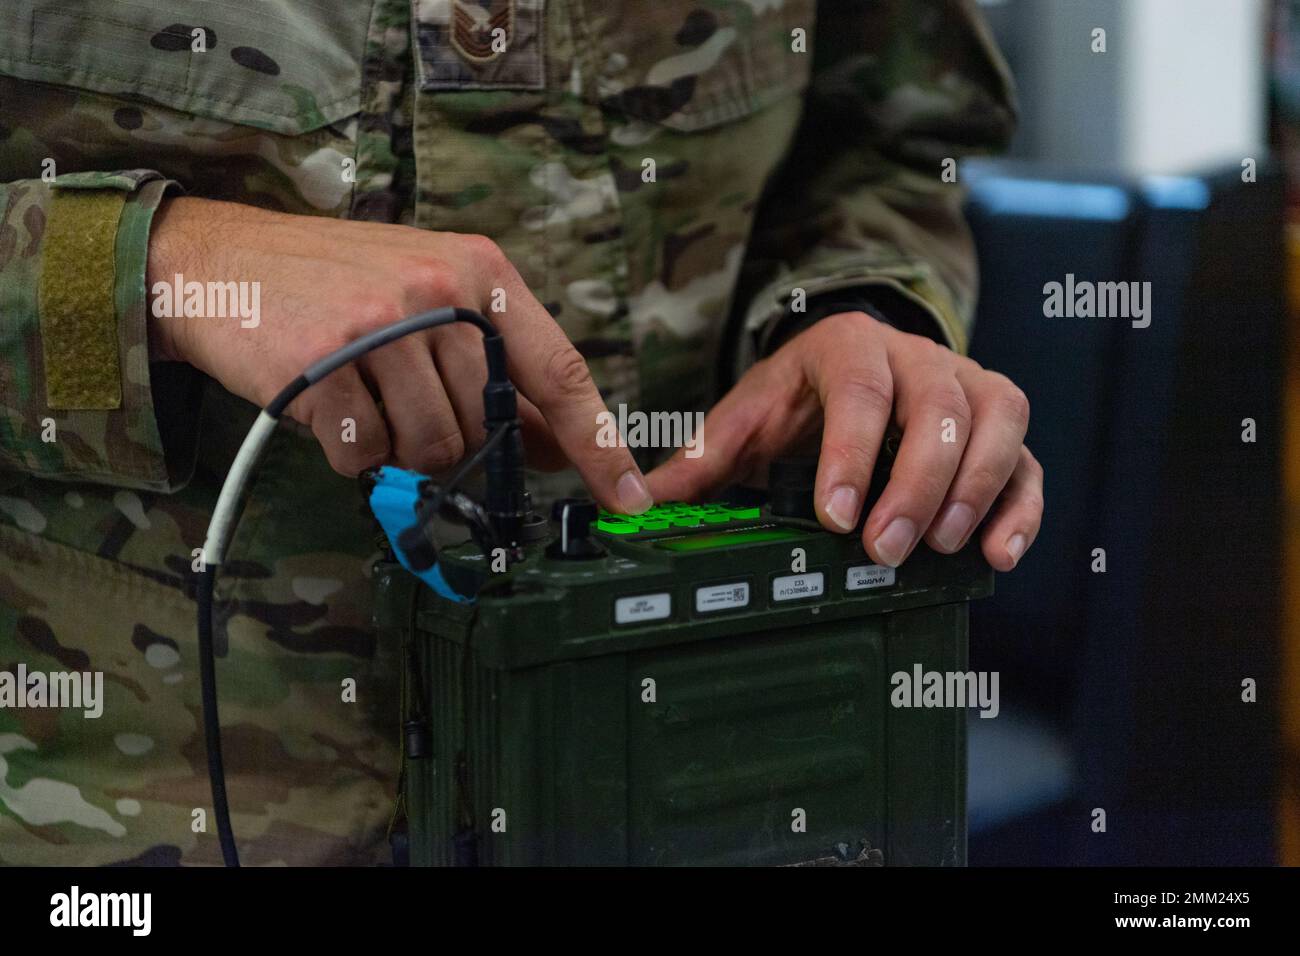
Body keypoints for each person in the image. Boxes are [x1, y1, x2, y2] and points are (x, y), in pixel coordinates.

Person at [0, 0, 1041, 865]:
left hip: (714, 791)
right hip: (126, 819)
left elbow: (892, 138)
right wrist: (158, 269)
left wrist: (857, 314)